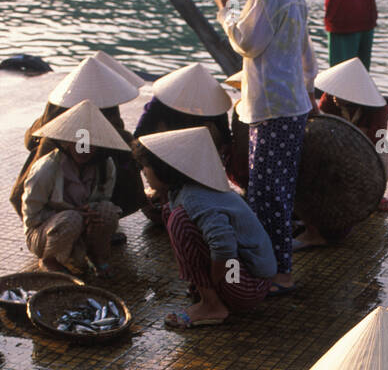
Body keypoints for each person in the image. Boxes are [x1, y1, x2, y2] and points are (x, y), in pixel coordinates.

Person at [196, 0, 317, 294]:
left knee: (269, 194)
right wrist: (308, 87)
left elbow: (247, 42)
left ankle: (278, 272)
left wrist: (225, 10)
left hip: (274, 108)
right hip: (289, 103)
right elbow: (305, 50)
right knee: (275, 190)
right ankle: (272, 267)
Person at [133, 128, 276, 330]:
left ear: (163, 169)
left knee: (179, 222)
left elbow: (225, 248)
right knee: (170, 213)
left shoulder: (194, 197)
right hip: (241, 274)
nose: (144, 173)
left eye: (146, 167)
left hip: (246, 283)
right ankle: (211, 295)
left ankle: (211, 305)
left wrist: (214, 281)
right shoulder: (185, 190)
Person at [10, 54, 143, 219]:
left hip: (88, 170)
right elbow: (82, 147)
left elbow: (31, 139)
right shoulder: (53, 144)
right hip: (56, 203)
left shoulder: (72, 102)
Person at [20, 101, 128, 276]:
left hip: (81, 225)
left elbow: (104, 198)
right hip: (43, 233)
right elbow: (32, 217)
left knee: (107, 211)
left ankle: (97, 257)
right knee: (71, 218)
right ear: (67, 142)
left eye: (89, 144)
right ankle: (49, 260)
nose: (83, 150)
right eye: (78, 142)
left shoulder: (105, 166)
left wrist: (90, 213)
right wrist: (73, 212)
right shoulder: (47, 168)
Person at [300, 57, 388, 239]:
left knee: (383, 155)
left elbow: (379, 140)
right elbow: (320, 125)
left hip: (367, 149)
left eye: (341, 95)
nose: (335, 98)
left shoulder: (379, 108)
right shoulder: (330, 98)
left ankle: (374, 193)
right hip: (334, 144)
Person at [133, 62, 236, 220]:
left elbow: (226, 140)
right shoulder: (160, 104)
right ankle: (165, 188)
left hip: (197, 166)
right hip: (165, 163)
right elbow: (140, 139)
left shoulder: (212, 107)